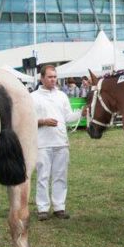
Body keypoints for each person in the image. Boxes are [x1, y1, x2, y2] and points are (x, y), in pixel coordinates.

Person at [31, 64, 81, 220]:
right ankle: (42, 208)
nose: (53, 80)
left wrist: (81, 112)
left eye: (55, 77)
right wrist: (43, 121)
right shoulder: (33, 97)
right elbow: (27, 121)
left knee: (60, 176)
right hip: (42, 143)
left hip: (61, 142)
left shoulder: (62, 96)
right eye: (50, 77)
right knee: (43, 176)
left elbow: (67, 118)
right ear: (42, 78)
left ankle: (59, 207)